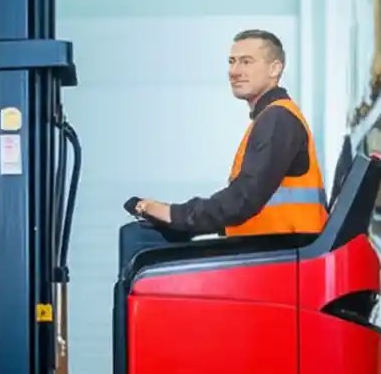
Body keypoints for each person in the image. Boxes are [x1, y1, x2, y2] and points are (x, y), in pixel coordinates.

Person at [132, 29, 328, 237]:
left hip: (282, 255)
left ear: (274, 69)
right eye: (232, 61)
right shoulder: (270, 117)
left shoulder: (277, 119)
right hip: (272, 251)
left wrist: (176, 214)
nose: (234, 71)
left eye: (246, 61)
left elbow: (243, 199)